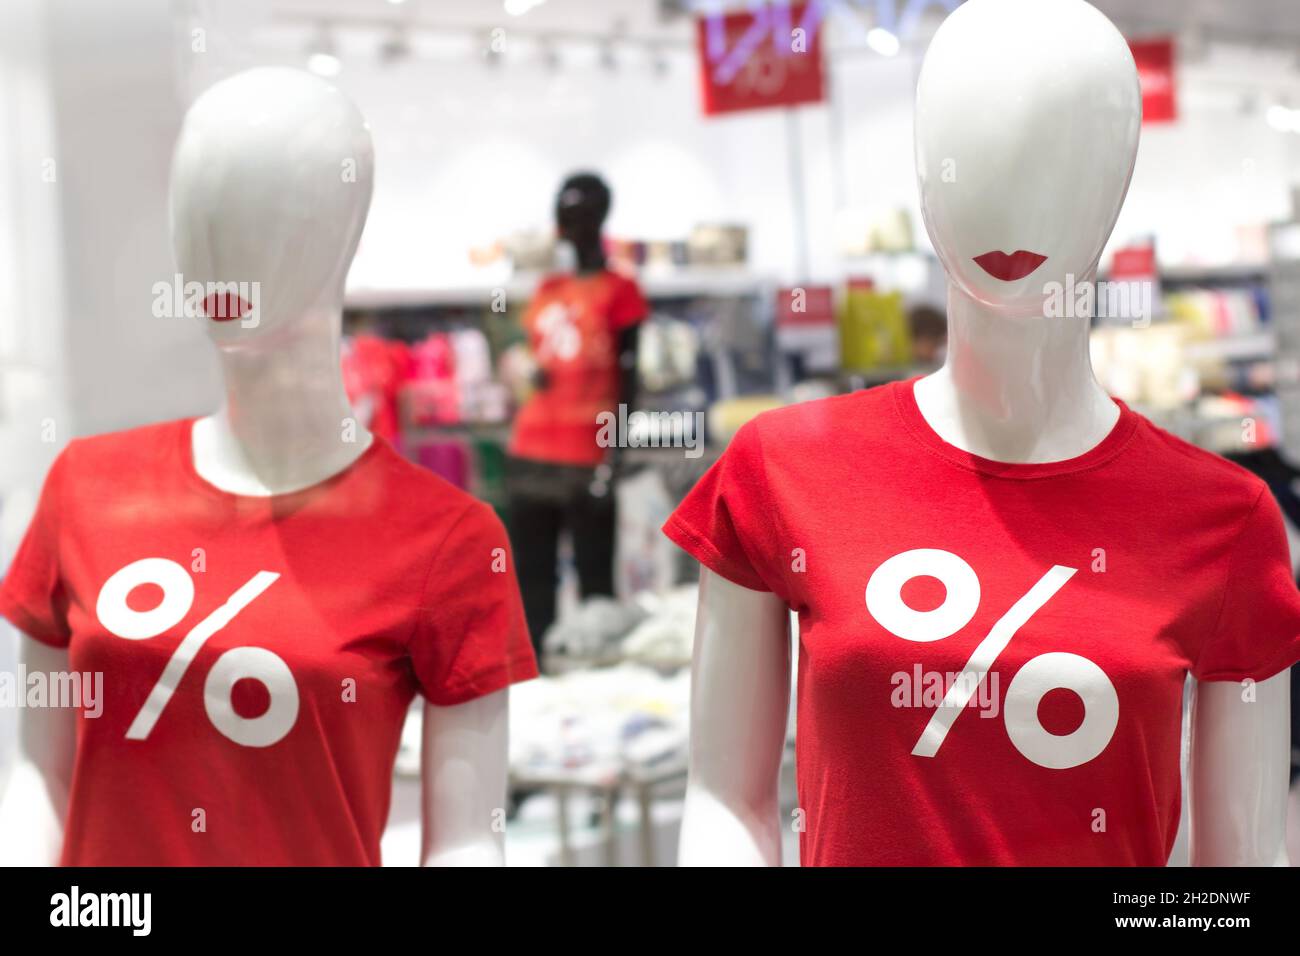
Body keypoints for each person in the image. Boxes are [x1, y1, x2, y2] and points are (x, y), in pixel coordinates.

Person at [506, 172, 648, 659]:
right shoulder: (548, 289)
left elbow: (629, 376)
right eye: (565, 214)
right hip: (531, 452)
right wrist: (525, 371)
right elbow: (528, 357)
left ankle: (597, 683)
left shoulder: (621, 290)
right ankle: (535, 678)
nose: (571, 224)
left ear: (600, 219)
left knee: (595, 583)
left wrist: (618, 452)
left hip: (589, 452)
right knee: (532, 578)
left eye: (582, 214)